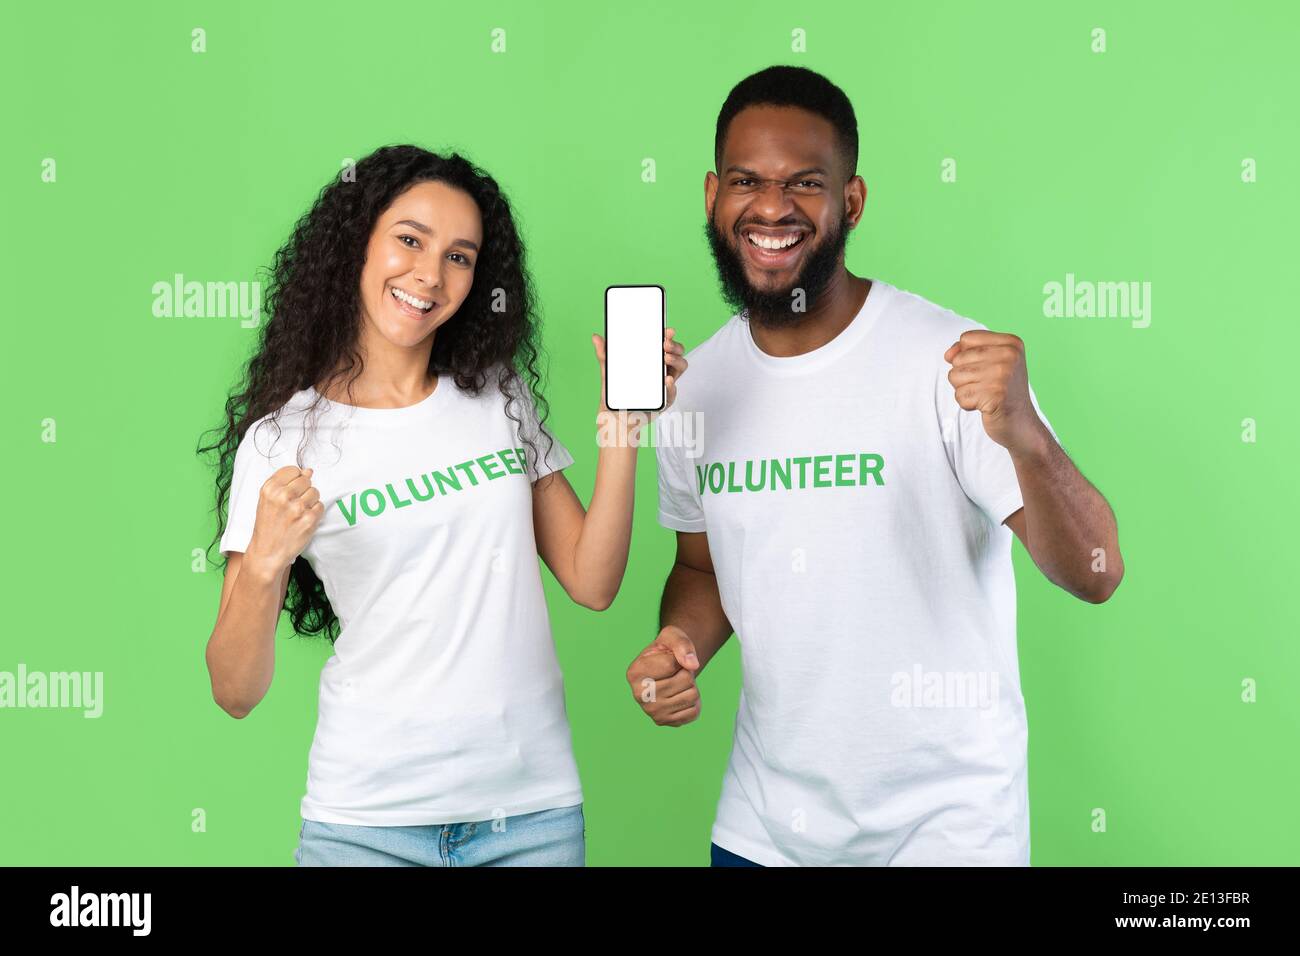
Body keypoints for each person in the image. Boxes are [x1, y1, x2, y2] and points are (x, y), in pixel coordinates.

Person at [628, 66, 1124, 867]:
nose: (771, 208)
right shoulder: (693, 389)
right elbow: (702, 566)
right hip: (765, 830)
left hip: (948, 832)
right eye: (747, 181)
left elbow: (1096, 572)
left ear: (850, 202)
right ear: (714, 194)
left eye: (805, 184)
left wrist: (1026, 433)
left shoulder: (947, 361)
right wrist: (677, 641)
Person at [201, 144, 685, 866]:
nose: (429, 275)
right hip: (364, 824)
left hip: (529, 817)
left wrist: (624, 429)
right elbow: (235, 690)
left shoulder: (497, 396)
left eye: (460, 256)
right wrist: (266, 563)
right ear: (356, 246)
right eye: (409, 240)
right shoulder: (282, 441)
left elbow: (593, 581)